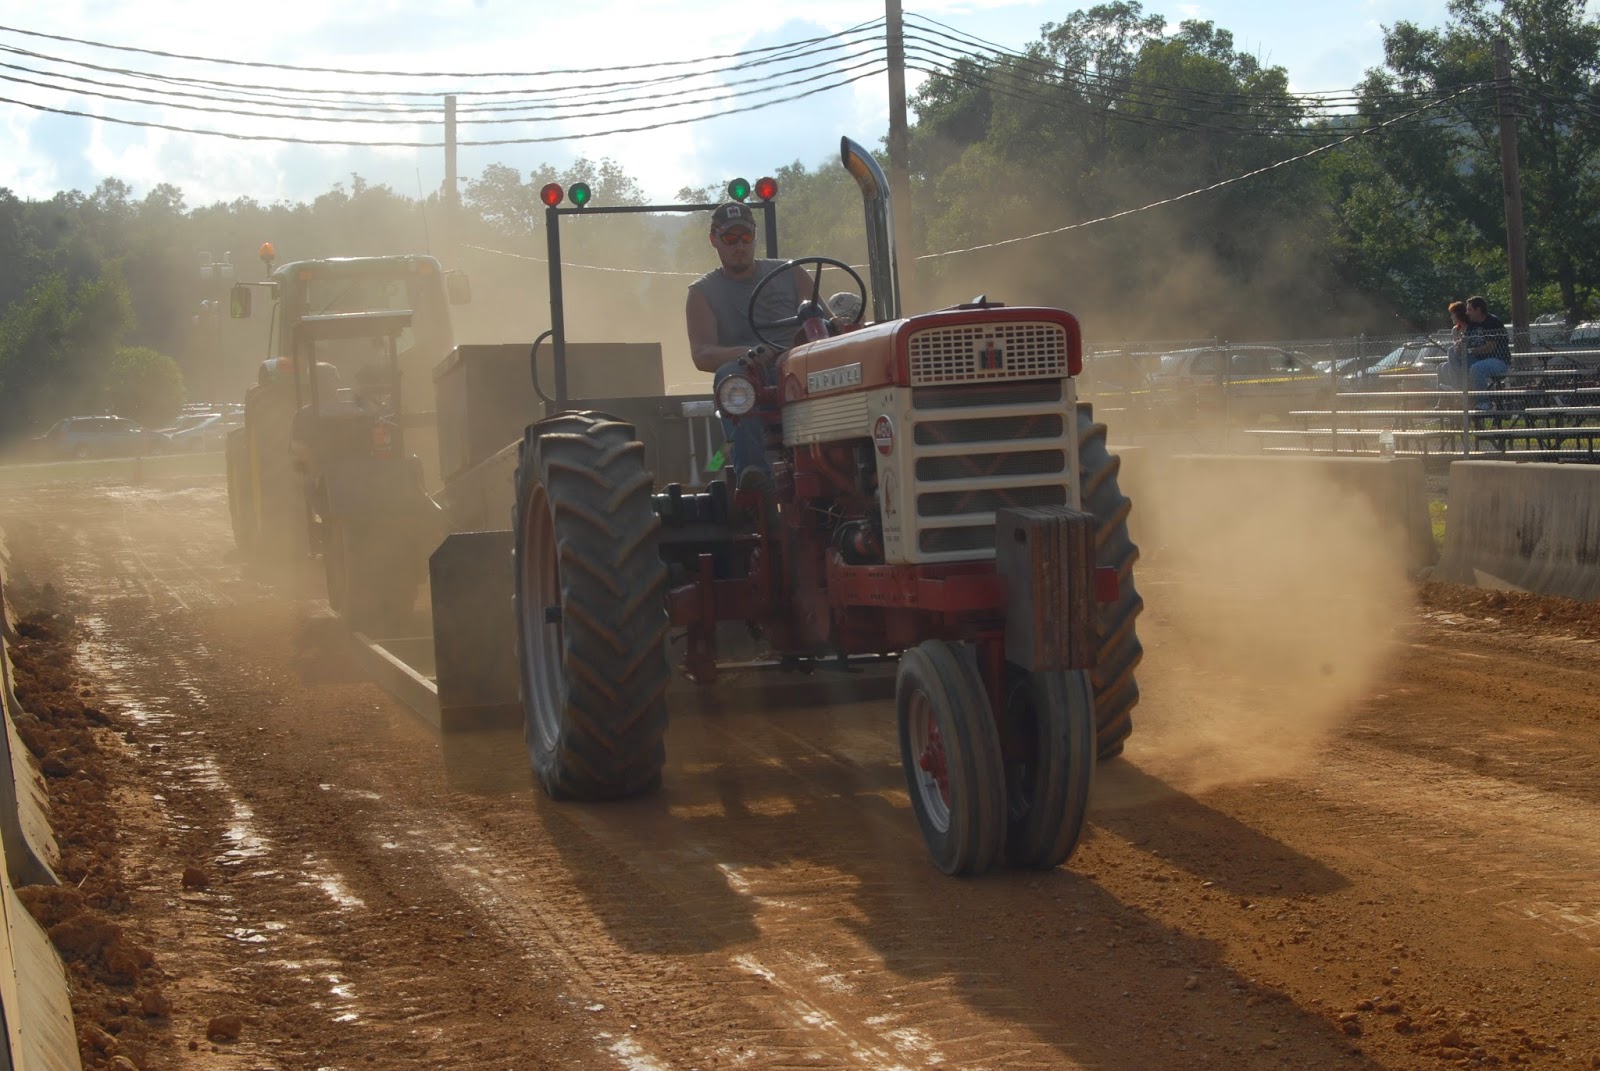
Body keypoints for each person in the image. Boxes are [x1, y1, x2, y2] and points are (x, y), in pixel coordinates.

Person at [685, 202, 834, 478]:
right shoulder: (703, 292)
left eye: (746, 236)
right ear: (714, 240)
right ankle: (753, 475)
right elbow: (701, 354)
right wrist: (747, 352)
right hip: (753, 380)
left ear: (755, 235)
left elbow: (827, 325)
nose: (739, 245)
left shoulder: (792, 273)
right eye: (730, 238)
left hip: (801, 371)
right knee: (731, 375)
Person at [1462, 295, 1512, 407]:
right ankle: (1457, 389)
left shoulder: (1493, 322)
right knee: (1444, 366)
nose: (1467, 312)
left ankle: (1484, 403)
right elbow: (1465, 343)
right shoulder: (1472, 324)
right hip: (1478, 360)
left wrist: (1469, 351)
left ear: (1478, 310)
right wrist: (1459, 346)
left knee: (1477, 368)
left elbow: (1490, 347)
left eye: (1469, 309)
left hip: (1498, 361)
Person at [1437, 300, 1470, 391]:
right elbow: (1456, 345)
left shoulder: (1471, 327)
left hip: (1468, 357)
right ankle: (1444, 398)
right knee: (1442, 367)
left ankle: (1458, 387)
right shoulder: (1455, 330)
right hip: (1458, 357)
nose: (1451, 317)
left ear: (1459, 314)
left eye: (1453, 314)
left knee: (1451, 350)